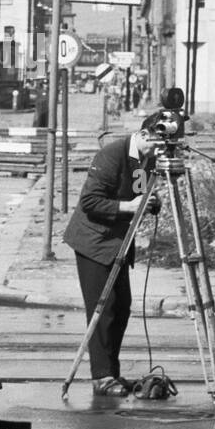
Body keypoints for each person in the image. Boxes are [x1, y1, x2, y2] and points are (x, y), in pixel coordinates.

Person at [63, 116, 161, 397]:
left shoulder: (147, 159)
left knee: (121, 307)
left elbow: (140, 195)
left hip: (118, 243)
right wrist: (127, 206)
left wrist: (151, 203)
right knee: (101, 310)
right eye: (157, 143)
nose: (160, 151)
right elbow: (90, 201)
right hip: (93, 241)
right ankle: (102, 377)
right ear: (143, 134)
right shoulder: (111, 155)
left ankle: (111, 372)